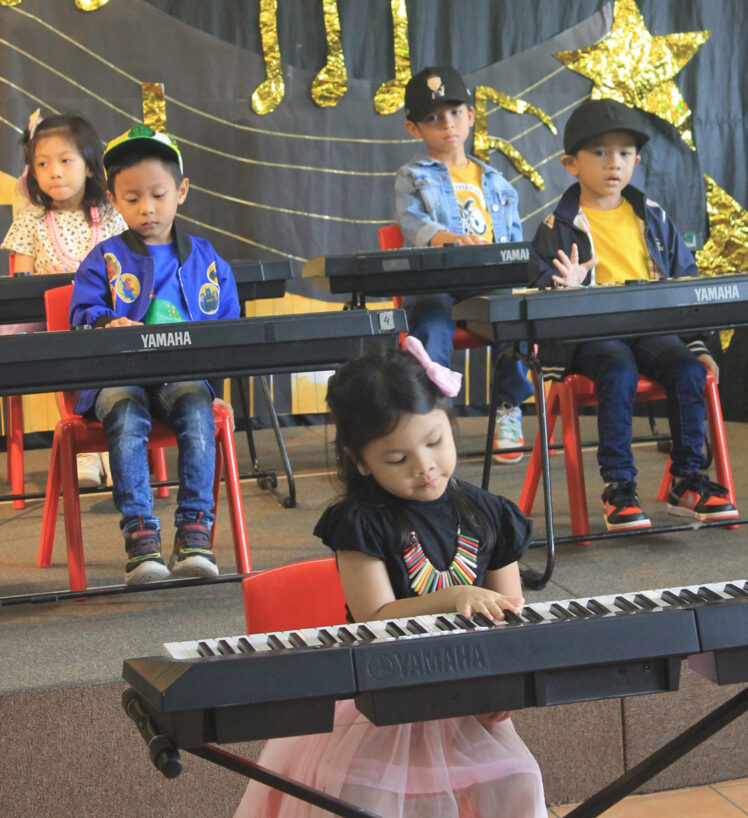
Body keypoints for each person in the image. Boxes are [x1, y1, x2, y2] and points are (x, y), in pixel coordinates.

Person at [234, 342, 547, 818]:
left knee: (517, 781)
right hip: (379, 699)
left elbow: (510, 608)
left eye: (435, 442)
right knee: (366, 796)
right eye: (397, 459)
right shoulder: (359, 521)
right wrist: (455, 596)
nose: (424, 466)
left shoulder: (490, 514)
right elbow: (374, 617)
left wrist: (507, 683)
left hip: (467, 693)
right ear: (360, 461)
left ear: (448, 420)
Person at [529, 98, 738, 530]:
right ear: (571, 164)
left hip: (650, 329)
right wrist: (562, 291)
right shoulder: (557, 225)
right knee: (618, 369)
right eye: (600, 152)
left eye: (625, 153)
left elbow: (685, 283)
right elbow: (538, 292)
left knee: (687, 370)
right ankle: (618, 486)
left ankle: (687, 479)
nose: (614, 163)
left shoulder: (653, 217)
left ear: (637, 161)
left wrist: (697, 344)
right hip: (592, 336)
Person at [69, 125, 240, 585]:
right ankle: (140, 536)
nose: (147, 209)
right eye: (131, 198)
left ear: (181, 191)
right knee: (125, 416)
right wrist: (107, 321)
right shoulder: (102, 257)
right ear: (113, 199)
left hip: (180, 374)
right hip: (118, 374)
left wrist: (215, 386)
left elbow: (226, 328)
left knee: (197, 411)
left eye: (158, 195)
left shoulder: (205, 258)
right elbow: (82, 312)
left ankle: (194, 532)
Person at [395, 66, 534, 464]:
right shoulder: (412, 175)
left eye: (455, 113)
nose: (447, 125)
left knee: (515, 310)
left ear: (471, 116)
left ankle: (509, 408)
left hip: (485, 284)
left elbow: (513, 247)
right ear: (413, 128)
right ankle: (433, 420)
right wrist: (451, 239)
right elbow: (413, 224)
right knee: (430, 328)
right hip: (435, 281)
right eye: (433, 118)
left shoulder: (497, 183)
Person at [1, 111, 127, 488]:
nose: (54, 171)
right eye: (42, 164)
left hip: (102, 321)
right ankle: (86, 450)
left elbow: (127, 271)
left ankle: (112, 445)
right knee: (69, 344)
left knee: (111, 342)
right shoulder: (30, 219)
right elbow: (20, 283)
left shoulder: (109, 215)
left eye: (65, 160)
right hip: (50, 322)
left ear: (89, 166)